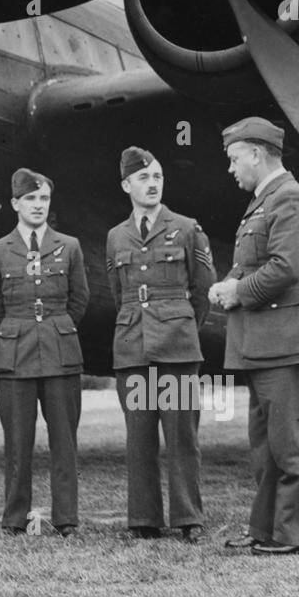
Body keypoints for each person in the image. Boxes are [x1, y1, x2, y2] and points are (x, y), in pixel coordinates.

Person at [209, 117, 299, 556]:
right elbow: (254, 263)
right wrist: (230, 283)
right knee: (265, 446)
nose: (231, 168)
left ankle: (295, 534)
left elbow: (283, 268)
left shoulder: (291, 200)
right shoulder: (267, 201)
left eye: (234, 158)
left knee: (292, 443)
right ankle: (265, 529)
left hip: (286, 342)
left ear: (257, 154)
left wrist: (237, 292)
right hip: (263, 342)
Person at [105, 147, 214, 543]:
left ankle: (188, 518)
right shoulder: (116, 236)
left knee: (182, 436)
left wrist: (180, 324)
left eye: (158, 177)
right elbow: (119, 293)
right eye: (144, 178)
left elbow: (202, 289)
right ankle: (144, 519)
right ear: (126, 185)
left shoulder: (186, 228)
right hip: (133, 347)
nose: (152, 184)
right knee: (140, 436)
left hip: (178, 348)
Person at [0, 168, 90, 537]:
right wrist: (21, 329)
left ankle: (66, 519)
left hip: (60, 353)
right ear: (15, 203)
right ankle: (15, 517)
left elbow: (79, 300)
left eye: (43, 198)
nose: (38, 205)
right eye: (30, 199)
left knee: (64, 440)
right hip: (15, 355)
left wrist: (53, 328)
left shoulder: (69, 246)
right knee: (17, 442)